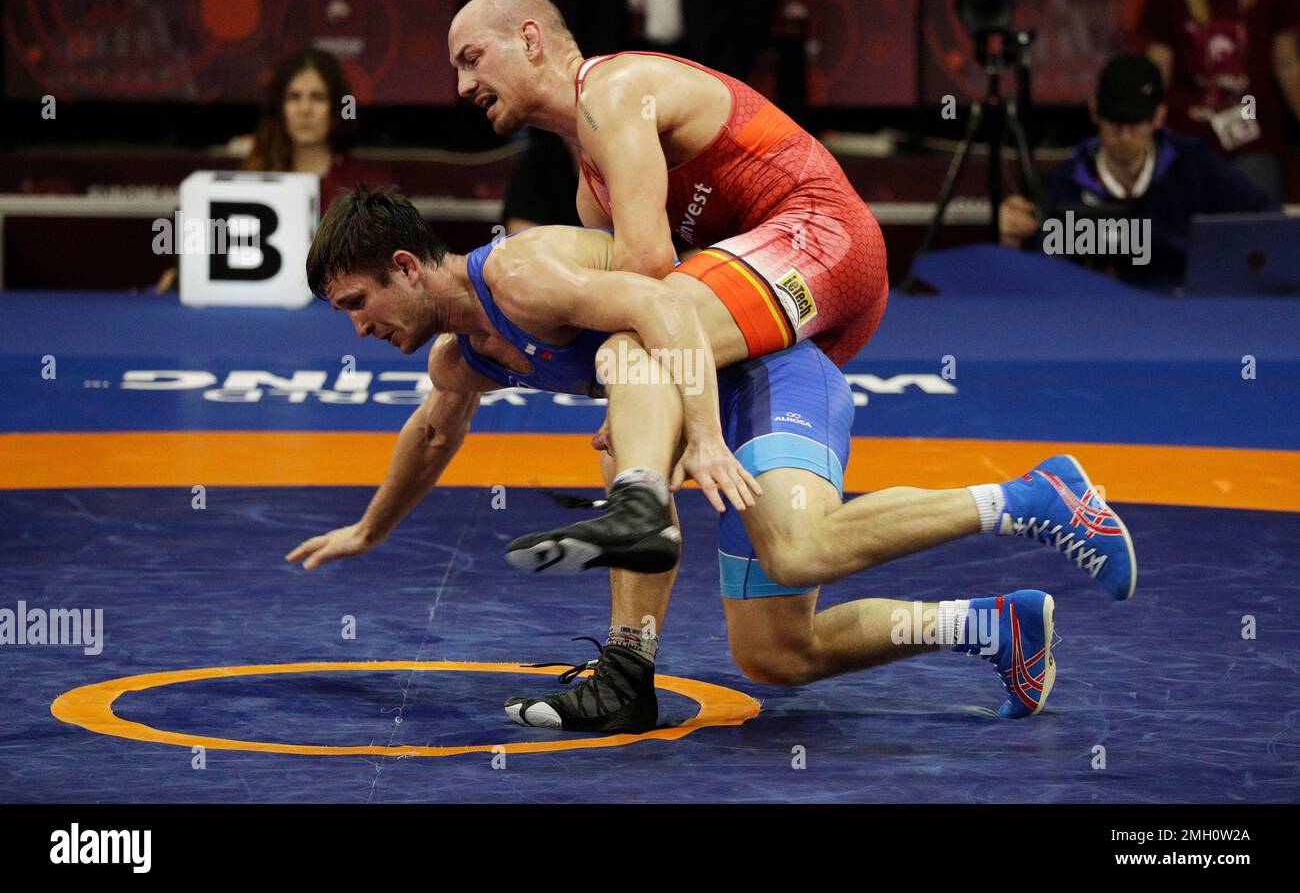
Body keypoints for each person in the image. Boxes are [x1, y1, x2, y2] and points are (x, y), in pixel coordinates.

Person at [285, 187, 1138, 732]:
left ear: (405, 265)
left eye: (359, 303)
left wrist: (702, 434)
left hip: (762, 375)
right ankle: (994, 626)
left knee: (783, 537)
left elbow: (665, 310)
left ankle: (1032, 496)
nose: (360, 329)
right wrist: (368, 527)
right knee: (776, 655)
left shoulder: (522, 269)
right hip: (704, 403)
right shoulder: (461, 354)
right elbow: (433, 432)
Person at [446, 0, 888, 369]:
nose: (464, 86)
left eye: (472, 59)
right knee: (634, 386)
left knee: (636, 357)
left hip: (824, 238)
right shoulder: (591, 189)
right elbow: (621, 293)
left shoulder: (614, 90)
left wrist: (529, 312)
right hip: (793, 276)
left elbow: (646, 266)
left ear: (529, 40)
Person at [999, 54, 1278, 287]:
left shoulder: (1194, 165)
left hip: (1183, 318)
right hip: (1097, 324)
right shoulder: (1064, 185)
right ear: (1095, 112)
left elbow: (1266, 222)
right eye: (1115, 121)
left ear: (1159, 117)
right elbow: (1038, 277)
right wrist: (1010, 242)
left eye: (1136, 122)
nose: (1124, 135)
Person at [1140, 0, 1300, 205]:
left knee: (1258, 227)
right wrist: (1139, 132)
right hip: (1186, 139)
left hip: (1254, 140)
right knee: (1176, 230)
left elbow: (1288, 64)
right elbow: (1157, 70)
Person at [244, 48, 391, 208]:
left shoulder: (369, 185)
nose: (305, 109)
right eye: (294, 97)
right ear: (279, 108)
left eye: (318, 97)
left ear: (337, 107)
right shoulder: (256, 179)